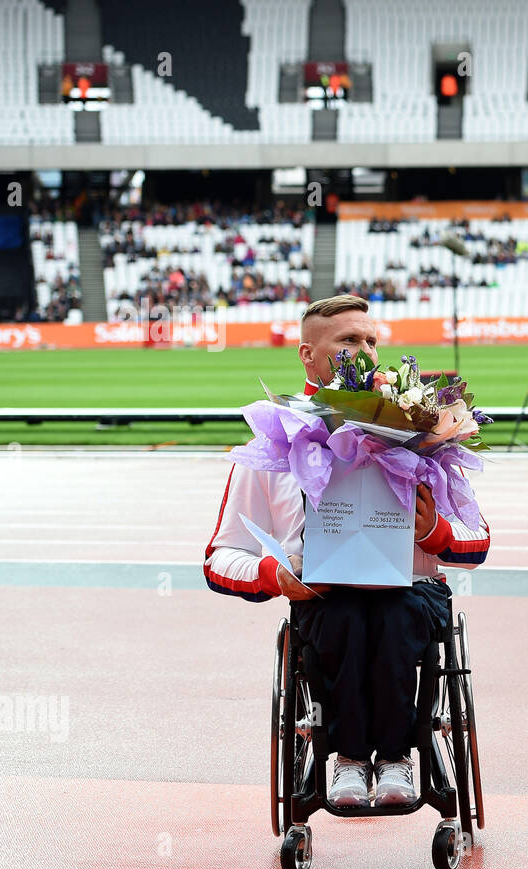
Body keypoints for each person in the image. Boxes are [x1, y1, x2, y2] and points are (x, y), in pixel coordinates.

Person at [204, 294, 491, 807]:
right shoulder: (275, 439)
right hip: (323, 597)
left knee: (395, 613)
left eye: (371, 341)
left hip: (413, 594)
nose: (365, 351)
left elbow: (478, 538)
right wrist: (275, 573)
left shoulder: (419, 430)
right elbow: (221, 555)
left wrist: (434, 532)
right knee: (343, 616)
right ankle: (351, 760)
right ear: (307, 354)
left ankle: (397, 758)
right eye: (348, 340)